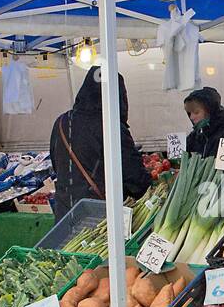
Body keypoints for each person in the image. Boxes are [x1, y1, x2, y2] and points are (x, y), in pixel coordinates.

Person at [49, 66, 150, 219]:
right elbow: (134, 177)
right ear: (117, 95)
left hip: (65, 213)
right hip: (100, 218)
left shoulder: (62, 122)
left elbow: (57, 165)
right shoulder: (111, 126)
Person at [183, 86, 224, 157]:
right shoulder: (195, 136)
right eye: (190, 113)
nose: (192, 117)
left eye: (196, 112)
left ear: (210, 111)